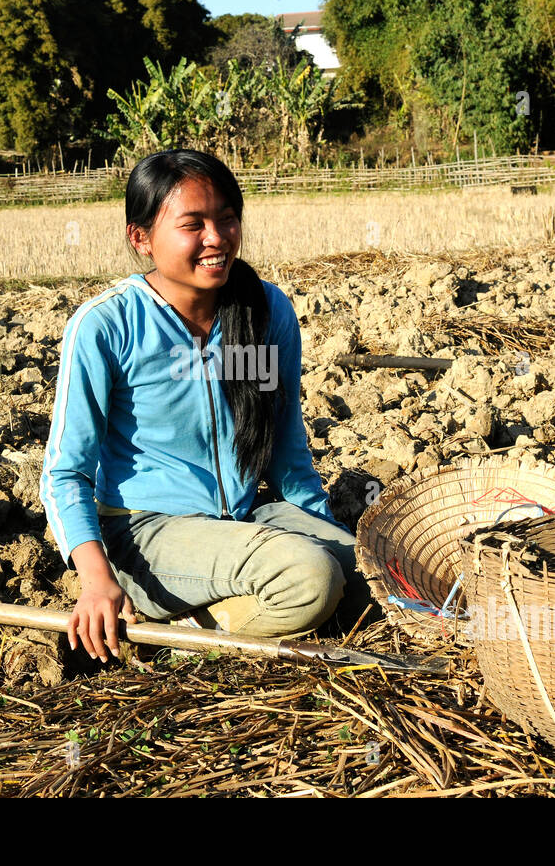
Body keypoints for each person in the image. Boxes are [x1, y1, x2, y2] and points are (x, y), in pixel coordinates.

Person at [40, 148, 356, 663]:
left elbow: (287, 452)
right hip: (145, 532)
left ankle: (233, 613)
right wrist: (95, 580)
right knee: (311, 578)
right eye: (194, 224)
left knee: (374, 572)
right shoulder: (106, 327)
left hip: (245, 518)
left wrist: (330, 533)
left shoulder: (263, 311)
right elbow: (64, 473)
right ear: (140, 239)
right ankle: (180, 644)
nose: (217, 238)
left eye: (227, 219)